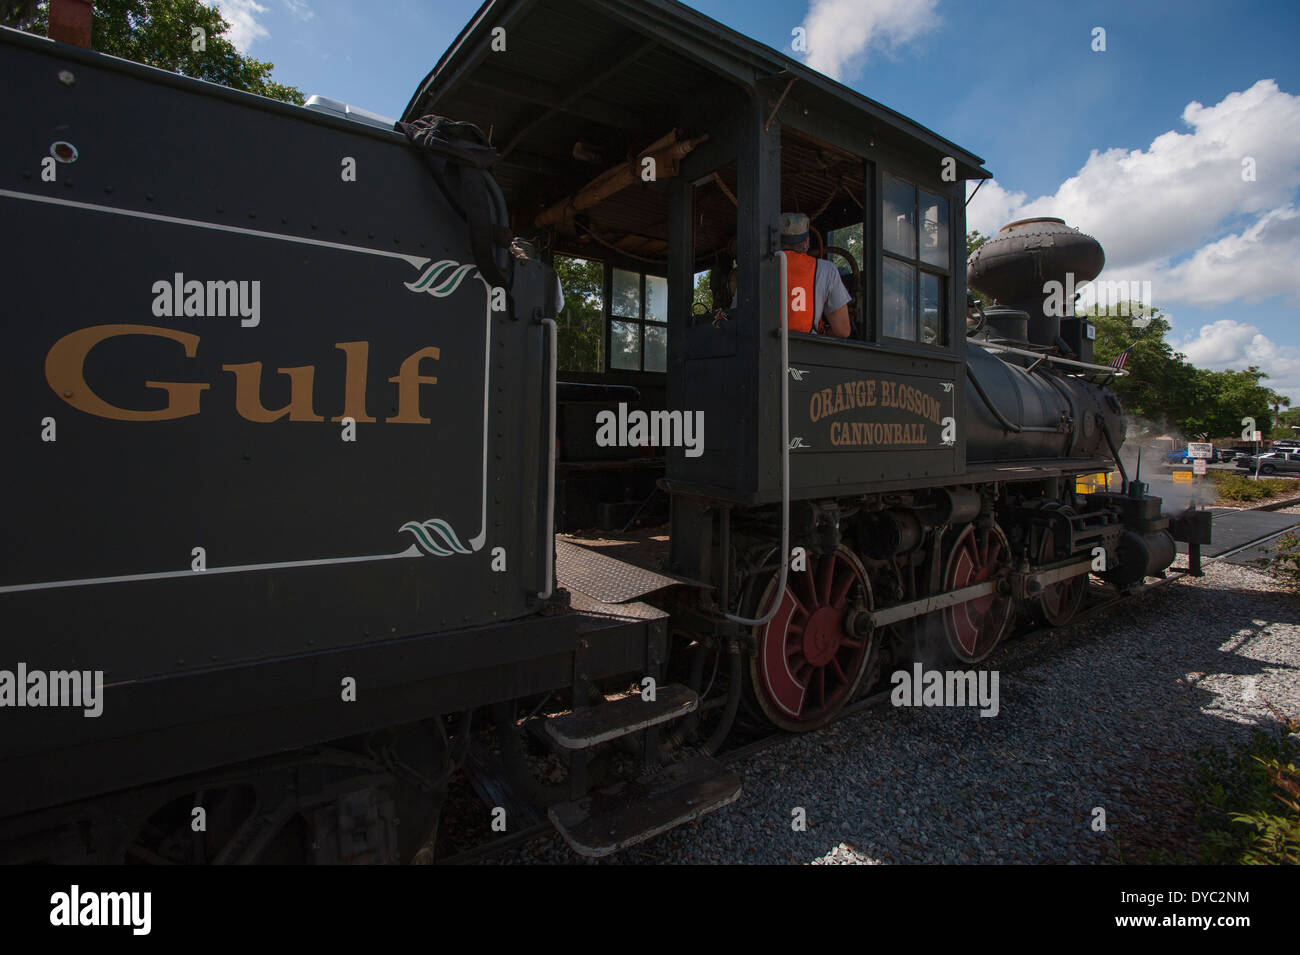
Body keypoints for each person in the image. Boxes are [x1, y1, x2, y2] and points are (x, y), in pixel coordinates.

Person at [779, 212, 851, 338]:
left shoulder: (756, 267)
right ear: (807, 242)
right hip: (805, 352)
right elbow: (842, 330)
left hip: (764, 351)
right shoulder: (826, 269)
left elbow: (738, 317)